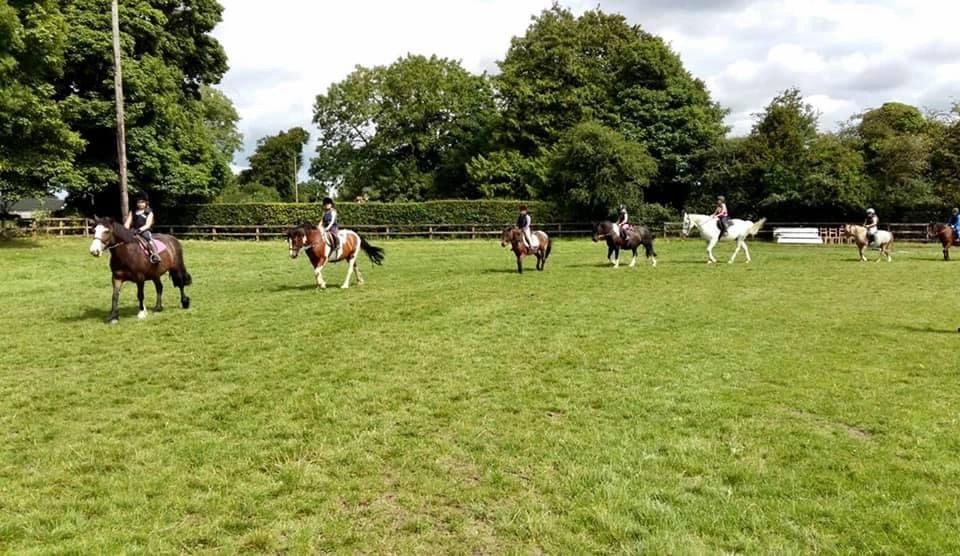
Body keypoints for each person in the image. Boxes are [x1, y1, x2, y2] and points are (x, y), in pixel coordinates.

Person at [124, 193, 160, 263]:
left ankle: (155, 254)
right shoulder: (133, 211)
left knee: (148, 238)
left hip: (144, 230)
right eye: (139, 202)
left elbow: (148, 225)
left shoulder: (149, 212)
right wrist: (124, 229)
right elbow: (128, 222)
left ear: (146, 203)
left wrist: (139, 230)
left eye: (142, 202)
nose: (140, 204)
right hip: (133, 230)